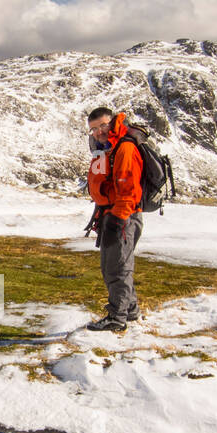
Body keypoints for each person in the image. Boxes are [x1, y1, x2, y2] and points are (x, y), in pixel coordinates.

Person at [85, 107, 143, 332]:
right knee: (117, 266)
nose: (99, 131)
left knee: (117, 268)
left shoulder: (124, 148)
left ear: (113, 122)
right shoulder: (103, 149)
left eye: (102, 125)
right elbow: (100, 184)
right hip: (110, 214)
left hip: (123, 216)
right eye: (93, 129)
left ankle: (117, 318)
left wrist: (118, 221)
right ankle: (130, 310)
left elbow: (128, 190)